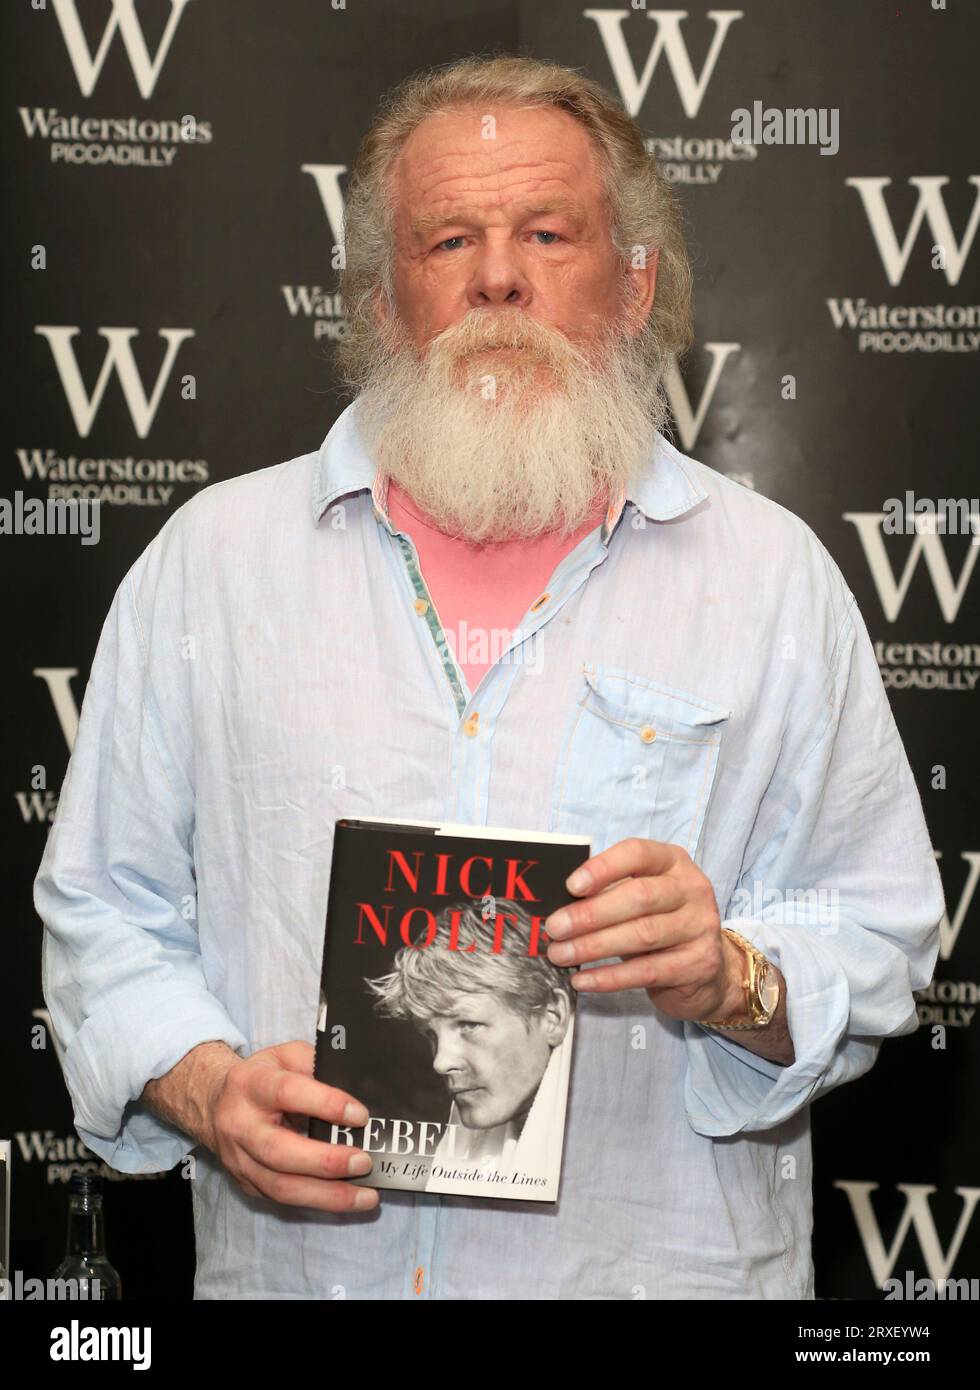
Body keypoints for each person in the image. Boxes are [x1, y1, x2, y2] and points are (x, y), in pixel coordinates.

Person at [34, 54, 945, 1300]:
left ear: (633, 286)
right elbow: (104, 911)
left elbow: (881, 927)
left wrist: (731, 972)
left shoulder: (770, 583)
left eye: (548, 232)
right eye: (448, 237)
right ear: (381, 297)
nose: (497, 276)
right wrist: (206, 1085)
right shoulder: (213, 568)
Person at [364, 896, 574, 1181]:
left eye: (469, 1025)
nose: (441, 1062)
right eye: (431, 1035)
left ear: (553, 1016)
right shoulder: (465, 1144)